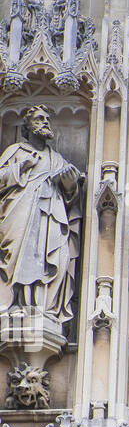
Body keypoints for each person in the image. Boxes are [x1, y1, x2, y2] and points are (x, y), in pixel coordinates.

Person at [0, 105, 83, 322]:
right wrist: (21, 166)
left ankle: (44, 308)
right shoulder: (16, 151)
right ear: (27, 126)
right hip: (21, 212)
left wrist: (70, 185)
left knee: (57, 258)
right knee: (20, 256)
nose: (45, 122)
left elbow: (71, 197)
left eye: (47, 119)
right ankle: (16, 303)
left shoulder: (56, 158)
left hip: (51, 216)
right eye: (38, 119)